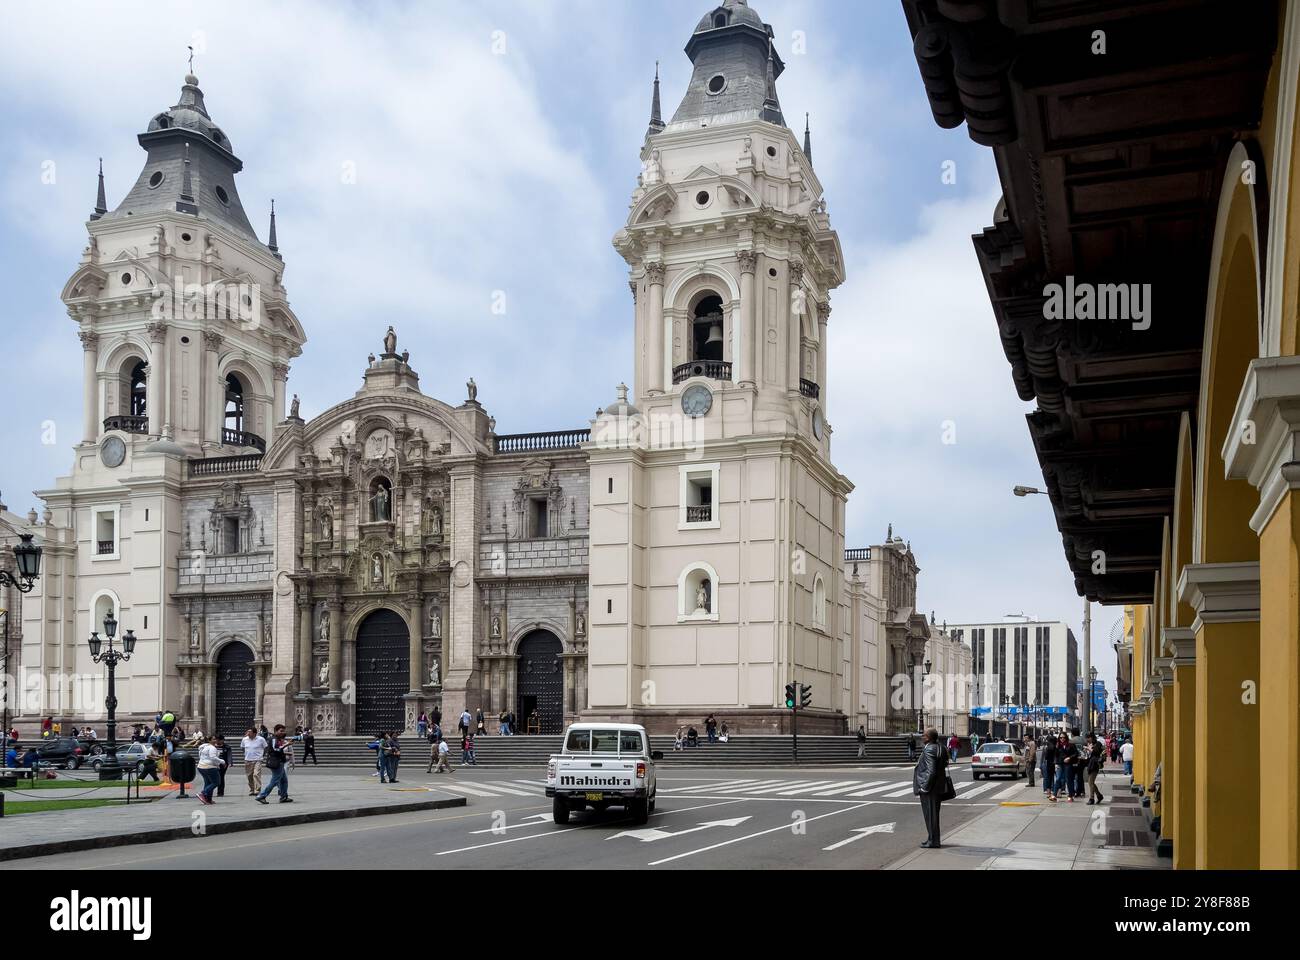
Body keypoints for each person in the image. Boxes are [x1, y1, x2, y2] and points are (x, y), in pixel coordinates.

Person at [912, 728, 950, 848]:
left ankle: (933, 841)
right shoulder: (941, 747)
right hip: (938, 785)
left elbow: (931, 771)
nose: (922, 737)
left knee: (930, 815)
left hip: (930, 788)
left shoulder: (929, 749)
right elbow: (944, 764)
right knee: (933, 814)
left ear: (928, 737)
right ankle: (932, 838)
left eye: (923, 735)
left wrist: (924, 787)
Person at [256, 725, 293, 804]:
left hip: (279, 762)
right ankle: (262, 796)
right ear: (276, 731)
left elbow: (278, 749)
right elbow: (276, 749)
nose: (283, 732)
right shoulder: (273, 739)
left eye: (283, 731)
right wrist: (287, 744)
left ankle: (283, 796)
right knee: (274, 781)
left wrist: (285, 750)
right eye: (281, 731)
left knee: (284, 780)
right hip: (276, 763)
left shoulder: (278, 739)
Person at [197, 735, 224, 805]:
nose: (215, 741)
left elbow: (201, 756)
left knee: (208, 783)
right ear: (209, 740)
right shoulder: (212, 748)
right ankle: (203, 793)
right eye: (213, 739)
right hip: (209, 767)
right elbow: (213, 758)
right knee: (216, 782)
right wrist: (222, 761)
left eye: (216, 739)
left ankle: (208, 799)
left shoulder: (204, 747)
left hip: (201, 766)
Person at [240, 727, 266, 796]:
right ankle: (252, 789)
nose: (248, 733)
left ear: (255, 733)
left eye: (250, 732)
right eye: (248, 732)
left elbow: (265, 747)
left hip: (258, 759)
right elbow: (242, 748)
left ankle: (257, 790)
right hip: (248, 760)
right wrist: (246, 754)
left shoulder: (261, 739)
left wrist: (262, 755)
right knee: (249, 776)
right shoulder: (244, 739)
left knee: (256, 774)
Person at [1085, 734, 1105, 805]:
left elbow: (1096, 752)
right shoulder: (1090, 744)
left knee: (1090, 782)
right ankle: (1099, 796)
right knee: (1091, 782)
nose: (1087, 739)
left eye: (1088, 737)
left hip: (1095, 764)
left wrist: (1089, 749)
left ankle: (1092, 798)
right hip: (1090, 764)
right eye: (1087, 738)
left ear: (1092, 737)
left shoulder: (1098, 744)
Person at [1040, 734, 1057, 799]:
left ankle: (1048, 793)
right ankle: (1058, 792)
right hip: (1057, 764)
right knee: (1058, 778)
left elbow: (1046, 757)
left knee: (1048, 778)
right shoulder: (1056, 747)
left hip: (1049, 764)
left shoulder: (1048, 748)